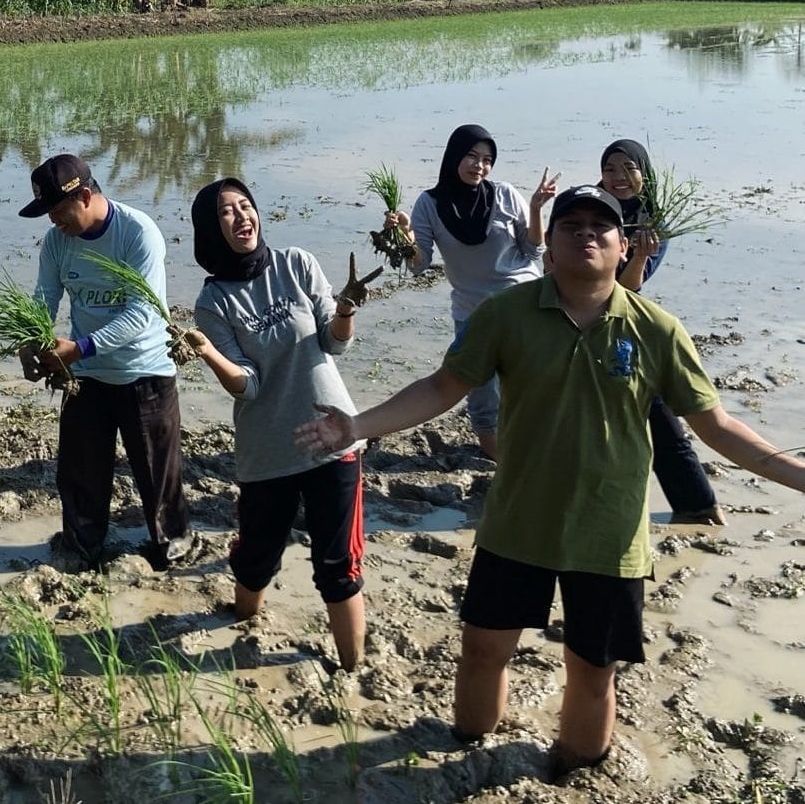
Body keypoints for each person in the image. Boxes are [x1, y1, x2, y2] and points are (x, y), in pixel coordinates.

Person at [296, 185, 805, 775]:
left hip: (609, 534)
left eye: (600, 226)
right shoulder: (505, 314)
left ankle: (578, 764)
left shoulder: (657, 330)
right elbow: (442, 387)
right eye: (571, 225)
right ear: (549, 245)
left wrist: (795, 475)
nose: (586, 233)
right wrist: (357, 425)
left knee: (593, 669)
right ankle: (465, 744)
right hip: (519, 522)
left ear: (623, 247)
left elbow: (716, 426)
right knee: (483, 650)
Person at [185, 177, 381, 670]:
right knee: (255, 561)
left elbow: (334, 343)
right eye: (226, 212)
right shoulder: (213, 302)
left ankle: (351, 670)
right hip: (267, 450)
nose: (241, 217)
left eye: (245, 205)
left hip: (333, 436)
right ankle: (241, 618)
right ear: (210, 228)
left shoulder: (296, 263)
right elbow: (247, 385)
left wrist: (345, 310)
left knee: (339, 566)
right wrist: (207, 353)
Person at [17, 153, 191, 569]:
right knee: (80, 474)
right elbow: (44, 300)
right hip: (88, 376)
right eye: (47, 212)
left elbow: (142, 314)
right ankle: (82, 548)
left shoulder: (137, 233)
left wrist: (79, 348)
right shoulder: (57, 243)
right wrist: (31, 341)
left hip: (143, 371)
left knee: (157, 475)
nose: (53, 220)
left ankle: (171, 548)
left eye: (57, 209)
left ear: (85, 196)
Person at [384, 123, 556, 457]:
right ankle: (498, 455)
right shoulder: (429, 204)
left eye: (487, 159)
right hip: (472, 312)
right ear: (454, 156)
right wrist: (404, 236)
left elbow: (533, 249)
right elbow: (419, 264)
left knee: (532, 384)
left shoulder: (504, 194)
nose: (479, 165)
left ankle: (537, 450)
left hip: (523, 303)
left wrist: (536, 208)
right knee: (483, 395)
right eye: (472, 156)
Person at [598, 138, 725, 526]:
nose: (618, 177)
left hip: (622, 322)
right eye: (609, 169)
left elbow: (629, 288)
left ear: (645, 174)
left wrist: (639, 255)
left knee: (655, 408)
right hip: (571, 316)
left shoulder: (653, 222)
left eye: (628, 168)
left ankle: (697, 504)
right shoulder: (590, 208)